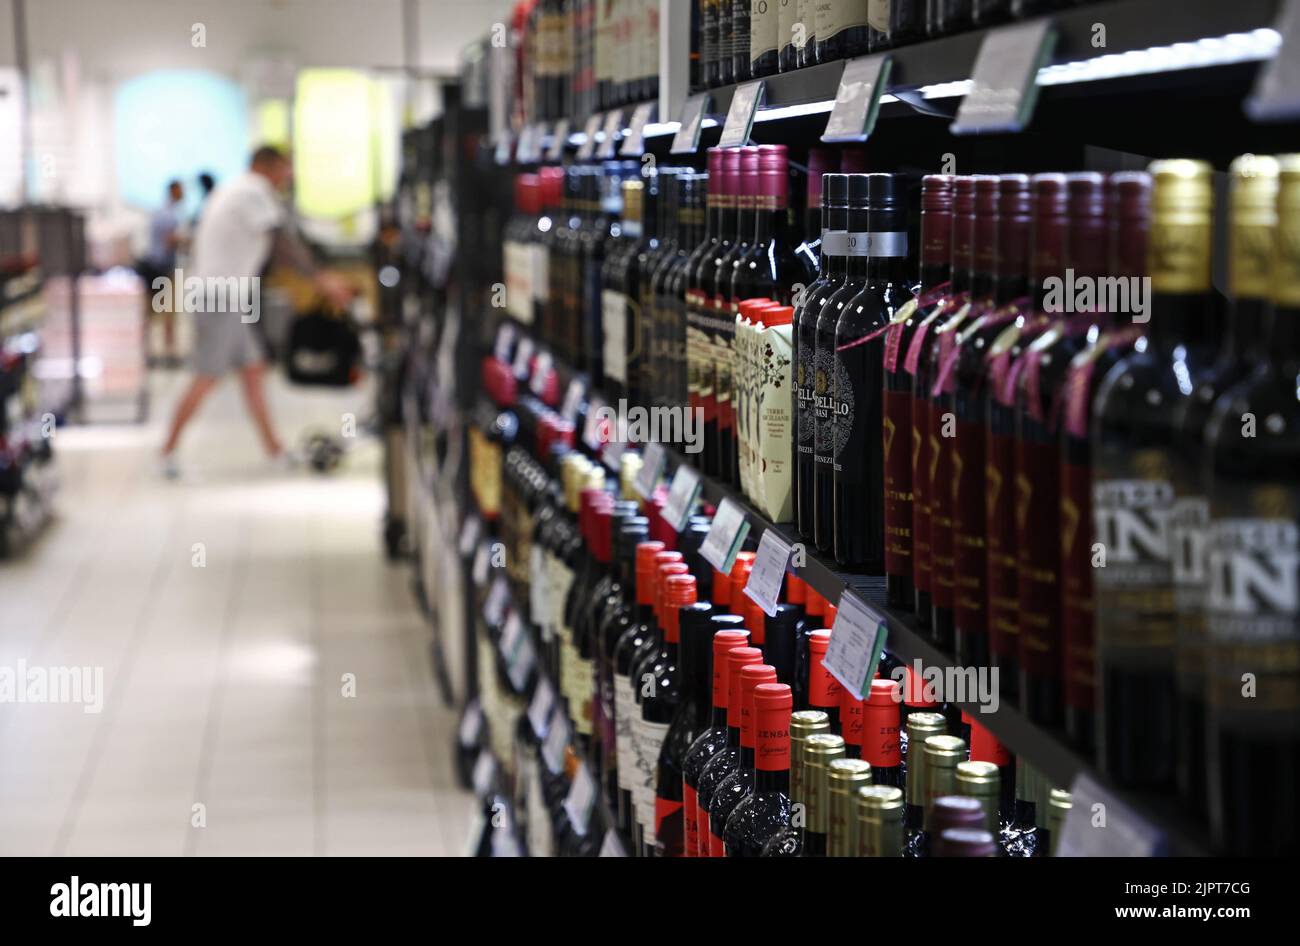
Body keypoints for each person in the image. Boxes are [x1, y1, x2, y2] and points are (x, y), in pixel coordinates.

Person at [160, 145, 353, 476]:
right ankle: (166, 452)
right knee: (207, 376)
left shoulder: (236, 189)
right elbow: (281, 243)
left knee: (253, 371)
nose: (287, 178)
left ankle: (275, 451)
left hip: (228, 295)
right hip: (219, 297)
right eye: (284, 170)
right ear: (269, 167)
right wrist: (321, 279)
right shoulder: (253, 191)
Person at [145, 179, 185, 365]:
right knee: (168, 313)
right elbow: (169, 241)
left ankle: (148, 351)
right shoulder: (169, 215)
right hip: (163, 269)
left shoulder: (160, 212)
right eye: (180, 190)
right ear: (173, 191)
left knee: (153, 313)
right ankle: (169, 353)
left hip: (154, 266)